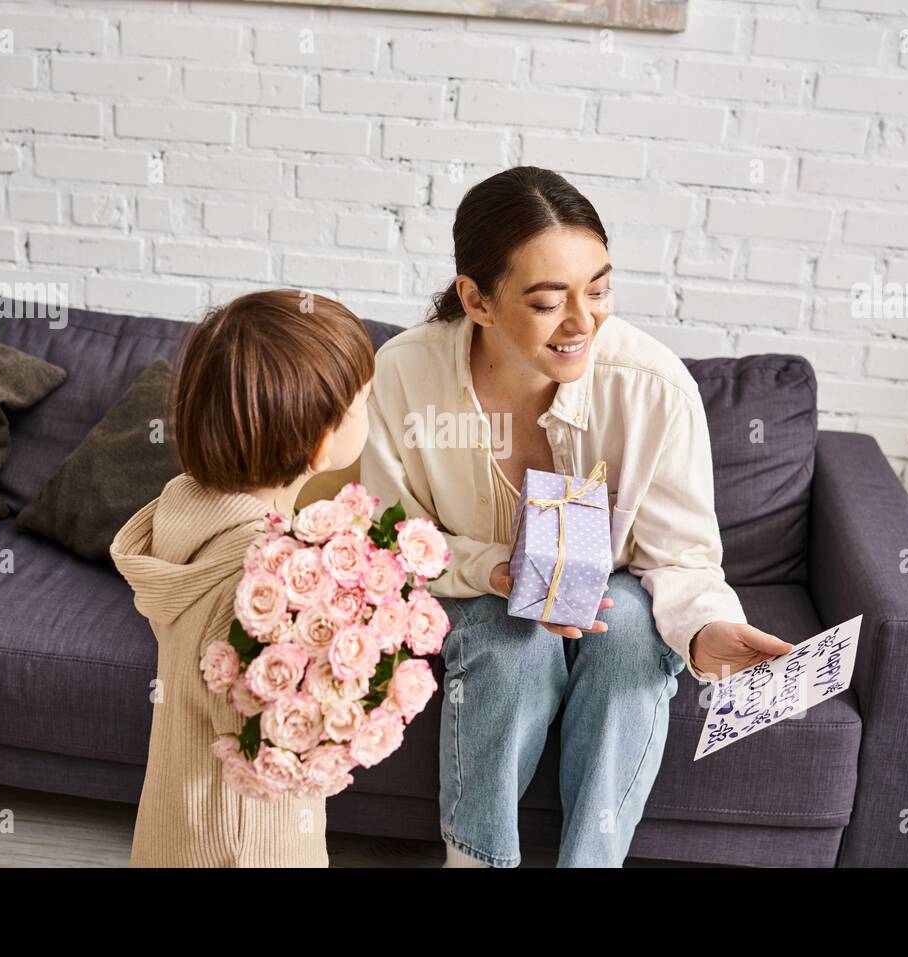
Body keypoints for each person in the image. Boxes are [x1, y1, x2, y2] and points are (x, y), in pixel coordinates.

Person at [359, 166, 792, 868]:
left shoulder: (652, 388)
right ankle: (476, 860)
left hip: (612, 589)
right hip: (476, 590)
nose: (582, 322)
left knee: (626, 631)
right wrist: (491, 571)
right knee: (511, 642)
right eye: (547, 302)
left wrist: (706, 629)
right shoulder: (405, 376)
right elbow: (393, 539)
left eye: (599, 290)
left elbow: (679, 558)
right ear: (477, 299)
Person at [110, 289, 375, 866]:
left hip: (178, 820)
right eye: (363, 401)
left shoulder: (186, 510)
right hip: (248, 836)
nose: (370, 412)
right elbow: (271, 734)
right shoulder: (268, 576)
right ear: (322, 442)